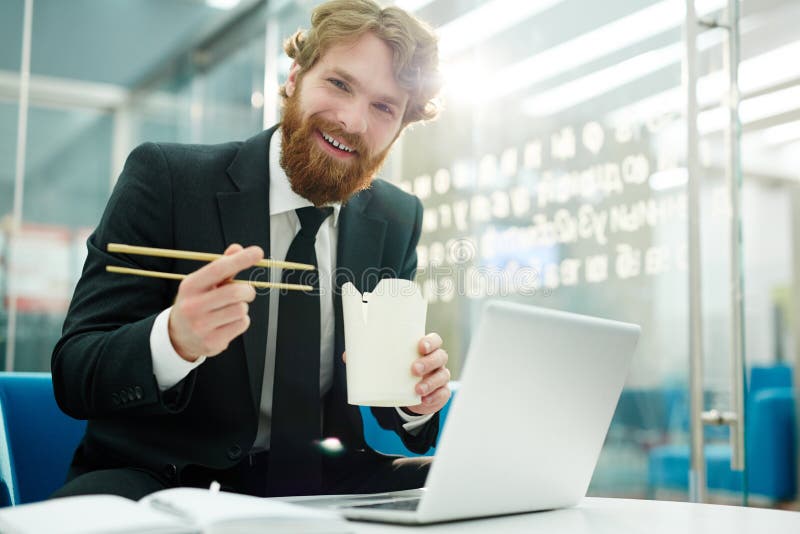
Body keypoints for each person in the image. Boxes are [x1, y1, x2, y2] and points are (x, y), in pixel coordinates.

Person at [51, 0, 451, 500]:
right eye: (339, 84)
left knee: (474, 487)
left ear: (399, 127)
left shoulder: (395, 217)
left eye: (384, 107)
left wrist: (416, 402)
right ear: (294, 77)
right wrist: (173, 340)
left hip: (322, 477)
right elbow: (74, 372)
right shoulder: (168, 180)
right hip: (166, 475)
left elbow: (387, 394)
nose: (352, 120)